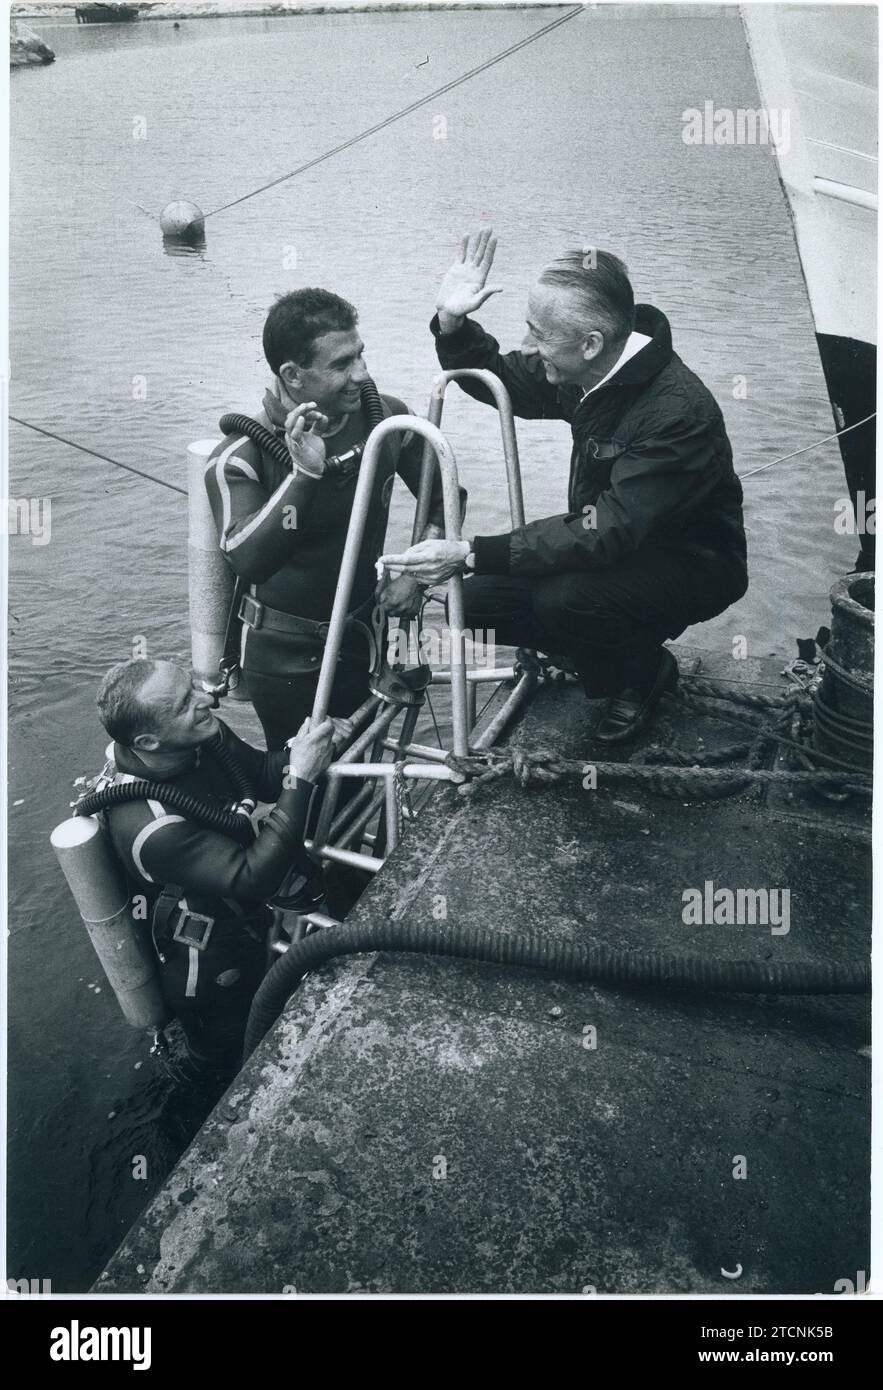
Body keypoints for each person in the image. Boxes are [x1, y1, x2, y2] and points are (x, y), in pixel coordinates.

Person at [381, 229, 748, 742]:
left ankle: (641, 674)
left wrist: (469, 550)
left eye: (539, 336)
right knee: (478, 606)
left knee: (565, 601)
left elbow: (606, 531)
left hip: (692, 563)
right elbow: (499, 376)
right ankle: (599, 650)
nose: (530, 346)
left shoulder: (675, 413)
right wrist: (452, 322)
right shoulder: (590, 367)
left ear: (590, 343)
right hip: (621, 547)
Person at [205, 287, 466, 751]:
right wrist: (305, 474)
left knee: (361, 775)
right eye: (341, 364)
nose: (361, 374)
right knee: (306, 787)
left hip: (365, 639)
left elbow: (447, 497)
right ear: (293, 374)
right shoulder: (241, 456)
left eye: (360, 355)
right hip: (284, 659)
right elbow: (249, 561)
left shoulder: (386, 421)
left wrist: (414, 574)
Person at [95, 657, 343, 1073]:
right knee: (227, 1065)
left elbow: (262, 777)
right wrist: (301, 778)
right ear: (148, 742)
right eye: (184, 703)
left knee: (271, 1017)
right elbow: (251, 877)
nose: (207, 698)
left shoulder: (196, 735)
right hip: (205, 965)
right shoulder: (151, 824)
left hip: (243, 923)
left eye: (193, 686)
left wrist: (302, 749)